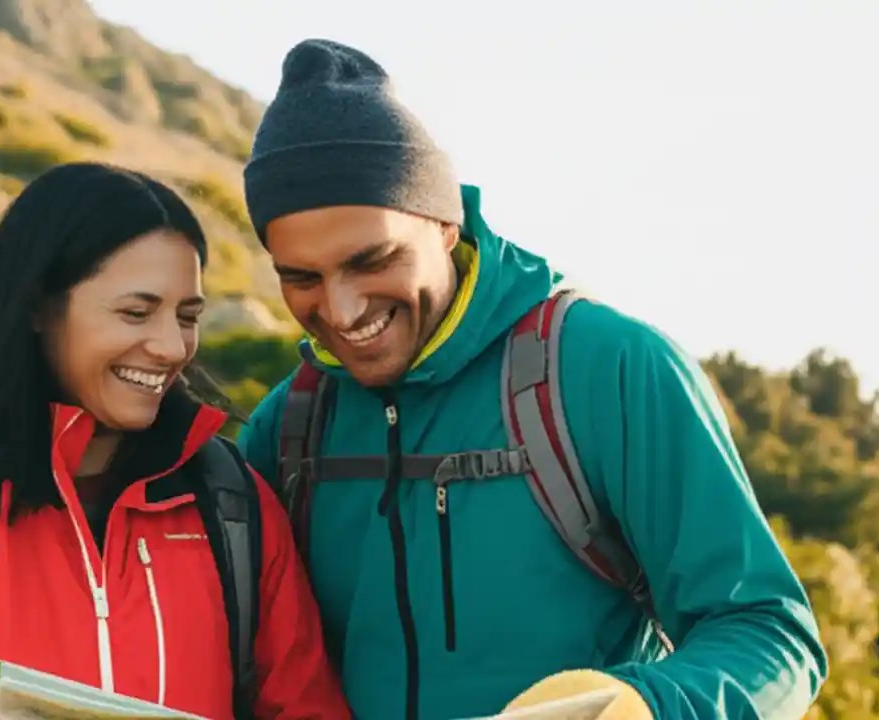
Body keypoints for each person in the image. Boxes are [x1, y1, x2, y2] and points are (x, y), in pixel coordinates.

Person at [237, 38, 829, 720]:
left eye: (372, 260)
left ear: (445, 224)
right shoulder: (289, 426)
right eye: (302, 278)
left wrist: (644, 707)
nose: (341, 312)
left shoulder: (607, 370)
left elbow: (770, 634)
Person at [0, 162, 352, 720]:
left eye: (186, 316)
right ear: (37, 306)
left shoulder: (233, 503)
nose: (172, 347)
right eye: (136, 312)